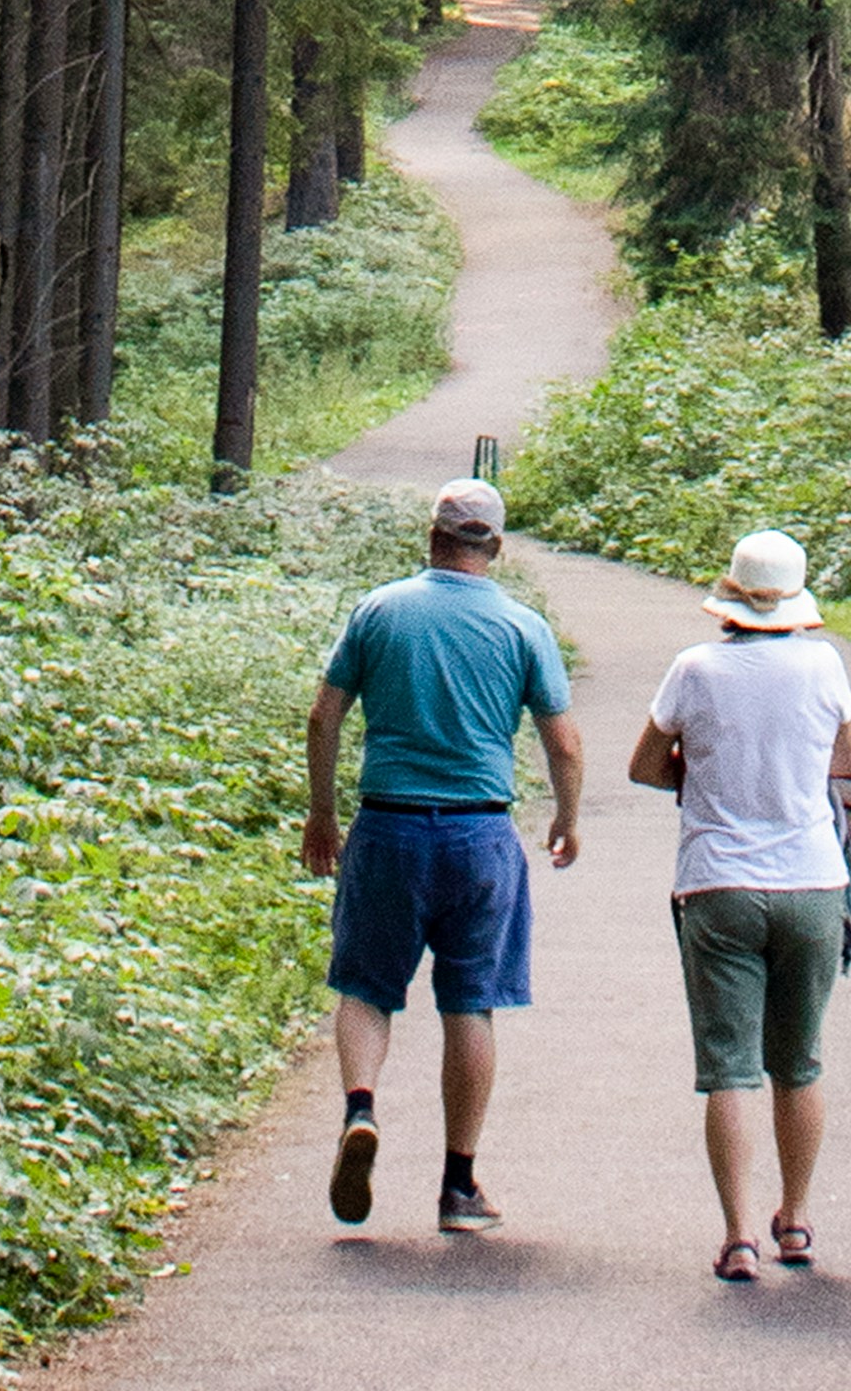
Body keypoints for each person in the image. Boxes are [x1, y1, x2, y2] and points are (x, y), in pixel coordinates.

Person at [302, 475, 582, 1235]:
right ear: (494, 546)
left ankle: (361, 1108)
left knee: (365, 986)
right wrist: (567, 817)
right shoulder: (522, 627)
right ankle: (458, 1187)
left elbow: (324, 716)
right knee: (470, 1003)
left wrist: (322, 815)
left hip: (388, 826)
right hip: (479, 834)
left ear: (431, 536)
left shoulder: (380, 611)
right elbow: (562, 741)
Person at [627, 525, 851, 1284]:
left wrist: (699, 780)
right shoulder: (825, 665)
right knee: (799, 1064)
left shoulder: (695, 669)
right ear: (798, 603)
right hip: (812, 884)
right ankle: (795, 1221)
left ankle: (736, 1238)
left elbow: (643, 767)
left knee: (729, 1070)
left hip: (718, 883)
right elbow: (849, 776)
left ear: (730, 598)